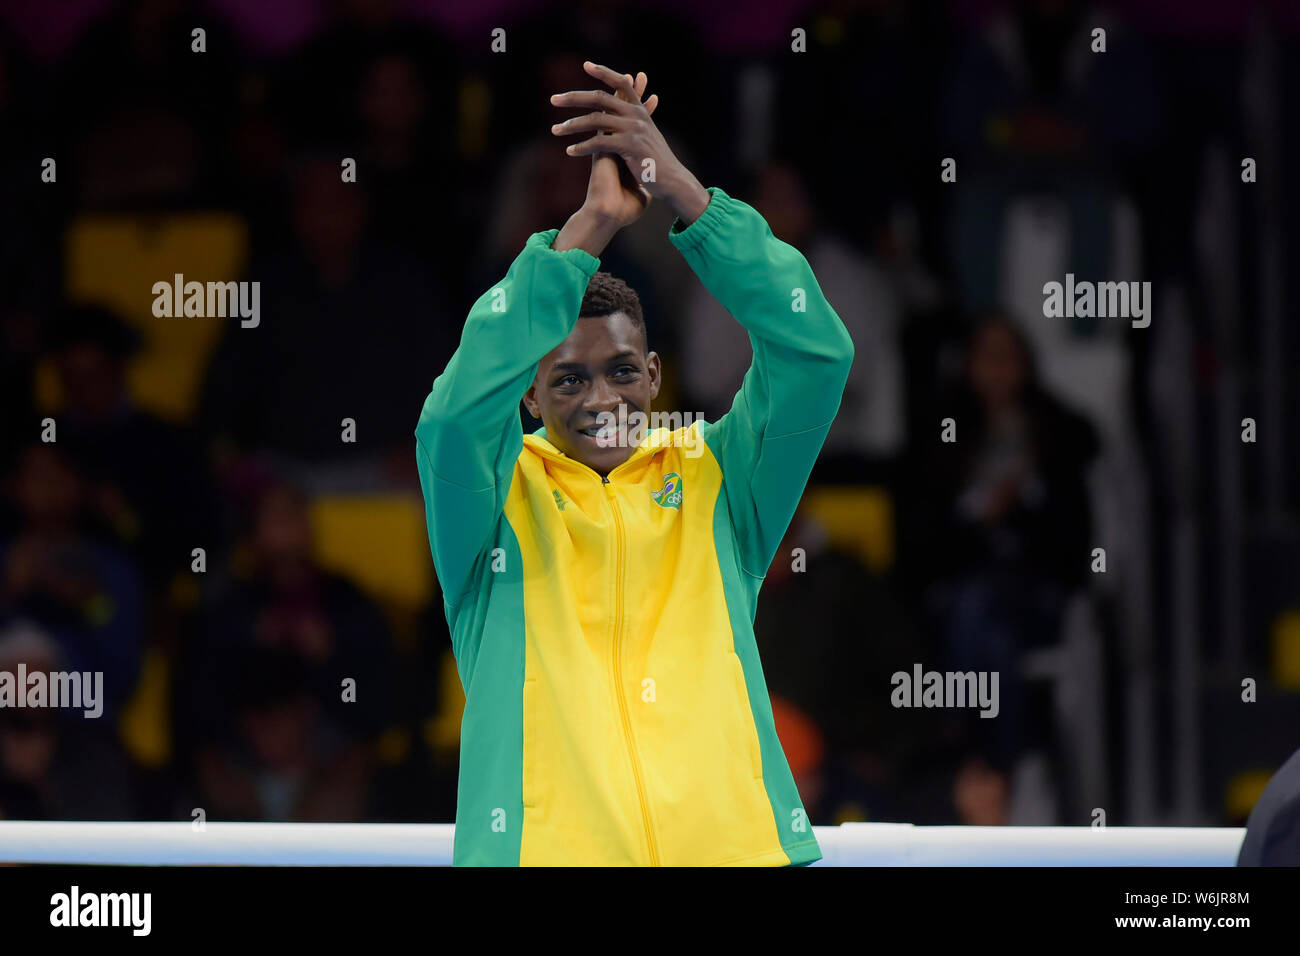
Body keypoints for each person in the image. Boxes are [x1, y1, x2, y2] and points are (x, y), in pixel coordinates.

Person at [414, 62, 854, 866]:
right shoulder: (489, 507)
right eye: (566, 379)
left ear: (654, 377)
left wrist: (686, 194)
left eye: (621, 372)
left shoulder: (722, 481)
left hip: (739, 853)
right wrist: (589, 227)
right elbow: (449, 420)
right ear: (528, 397)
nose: (599, 398)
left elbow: (816, 351)